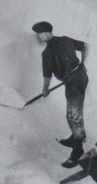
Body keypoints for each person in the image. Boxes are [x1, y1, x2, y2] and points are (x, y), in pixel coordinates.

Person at [32, 21, 89, 167]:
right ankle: (76, 137)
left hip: (72, 83)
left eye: (38, 34)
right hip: (81, 76)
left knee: (73, 114)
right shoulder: (65, 39)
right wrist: (83, 63)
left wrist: (45, 90)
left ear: (45, 33)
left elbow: (47, 76)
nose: (38, 37)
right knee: (75, 112)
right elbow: (85, 46)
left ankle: (78, 150)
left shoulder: (47, 53)